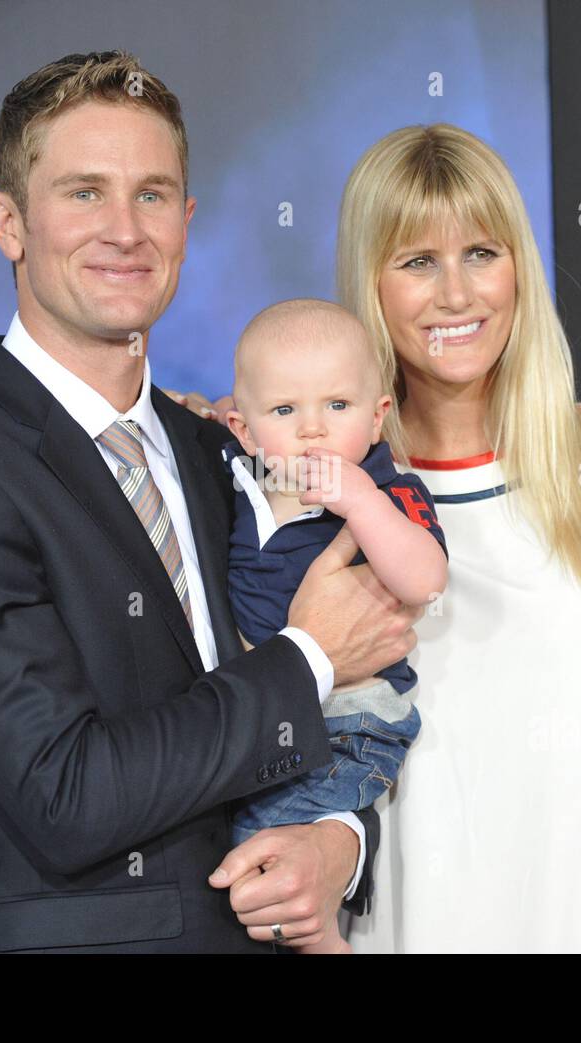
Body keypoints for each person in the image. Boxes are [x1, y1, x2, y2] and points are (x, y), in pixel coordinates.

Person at [0, 51, 422, 953]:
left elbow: (349, 723)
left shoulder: (224, 451)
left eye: (152, 195)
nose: (125, 229)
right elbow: (64, 792)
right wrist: (310, 653)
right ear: (8, 222)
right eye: (84, 193)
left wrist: (337, 843)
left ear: (187, 222)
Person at [170, 123, 581, 953]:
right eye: (416, 261)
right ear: (370, 285)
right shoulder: (306, 503)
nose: (455, 294)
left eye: (481, 252)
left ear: (521, 265)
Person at [218, 298, 449, 953]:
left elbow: (424, 579)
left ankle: (324, 936)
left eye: (338, 407)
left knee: (266, 847)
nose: (314, 431)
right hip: (268, 722)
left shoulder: (387, 488)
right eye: (286, 411)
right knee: (239, 842)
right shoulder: (241, 477)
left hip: (356, 719)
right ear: (243, 427)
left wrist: (361, 502)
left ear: (379, 415)